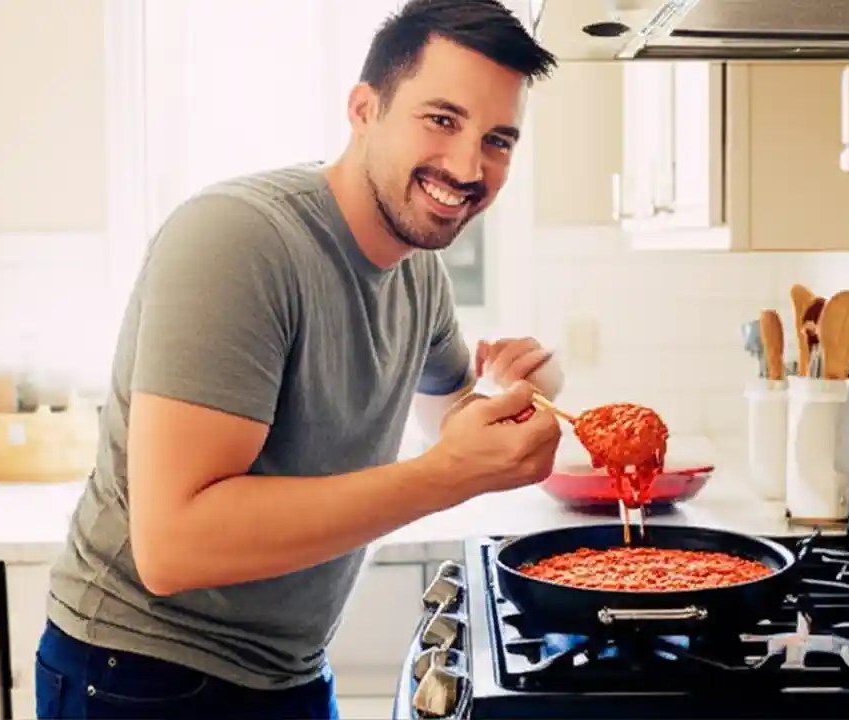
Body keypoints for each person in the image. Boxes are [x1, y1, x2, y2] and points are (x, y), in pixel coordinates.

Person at [34, 1, 562, 718]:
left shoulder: (417, 272)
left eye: (498, 139)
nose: (469, 166)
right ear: (364, 109)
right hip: (142, 672)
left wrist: (517, 389)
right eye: (442, 119)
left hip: (290, 673)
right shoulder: (240, 239)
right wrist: (445, 476)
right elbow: (173, 545)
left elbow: (455, 412)